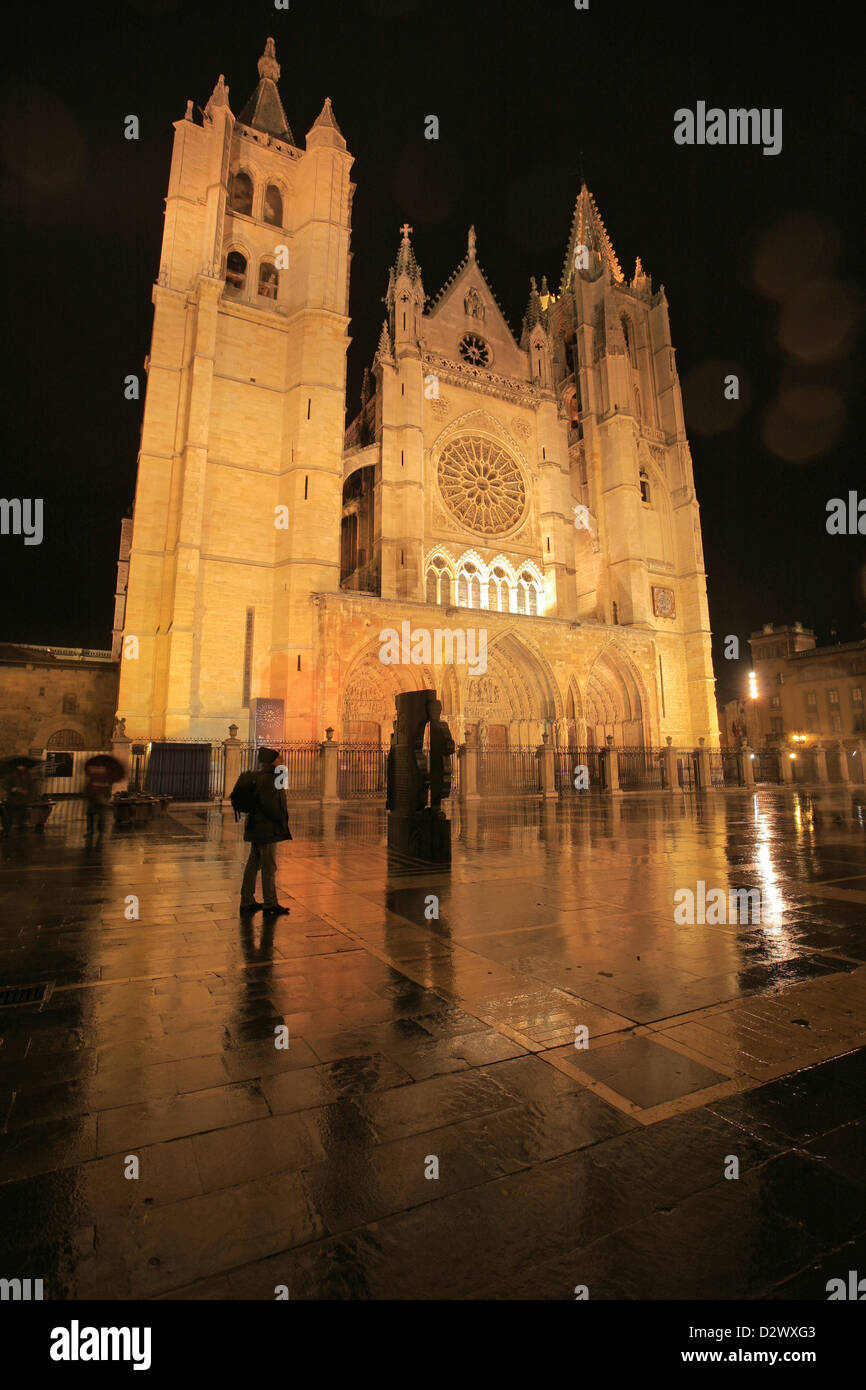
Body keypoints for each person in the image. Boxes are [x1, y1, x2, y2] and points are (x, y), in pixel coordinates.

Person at [240, 747, 291, 915]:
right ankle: (270, 903)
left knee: (253, 864)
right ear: (272, 761)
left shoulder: (259, 776)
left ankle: (247, 900)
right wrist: (280, 818)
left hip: (256, 827)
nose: (281, 760)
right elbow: (270, 804)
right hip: (266, 829)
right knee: (269, 866)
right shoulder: (270, 778)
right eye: (279, 758)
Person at [2, 761, 32, 835]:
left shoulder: (27, 775)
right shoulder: (11, 775)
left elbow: (30, 787)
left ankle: (21, 831)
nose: (21, 767)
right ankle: (7, 830)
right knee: (9, 815)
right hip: (12, 800)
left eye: (23, 766)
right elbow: (5, 785)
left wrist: (26, 792)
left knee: (22, 816)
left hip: (23, 800)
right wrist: (12, 789)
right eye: (20, 766)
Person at [84, 763, 112, 842]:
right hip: (94, 800)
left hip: (100, 802)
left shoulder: (104, 780)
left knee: (100, 818)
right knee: (91, 816)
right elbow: (88, 788)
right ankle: (92, 832)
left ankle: (99, 833)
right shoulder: (94, 779)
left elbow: (108, 790)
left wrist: (106, 798)